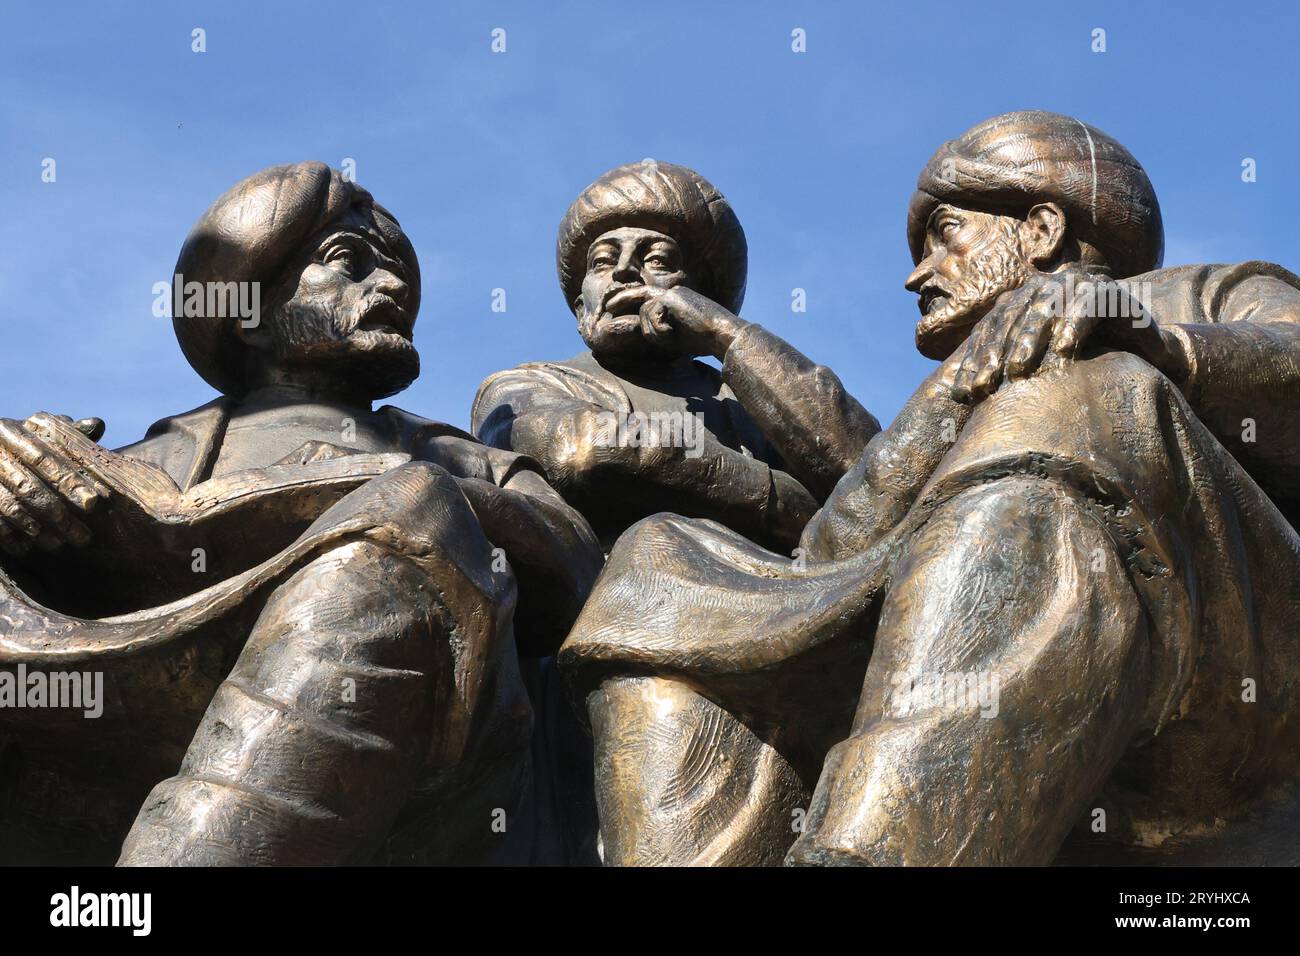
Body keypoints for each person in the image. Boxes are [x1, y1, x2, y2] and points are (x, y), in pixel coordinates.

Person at [560, 111, 1300, 866]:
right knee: (663, 563)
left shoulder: (1205, 292)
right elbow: (846, 530)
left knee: (1070, 391)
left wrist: (1142, 332)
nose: (918, 274)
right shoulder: (955, 389)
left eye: (946, 235)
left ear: (1041, 230)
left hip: (1226, 667)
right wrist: (722, 338)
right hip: (958, 642)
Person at [0, 162, 602, 865]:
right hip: (103, 716)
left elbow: (578, 557)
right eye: (347, 263)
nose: (395, 287)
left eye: (399, 271)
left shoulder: (445, 456)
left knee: (411, 515)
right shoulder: (154, 456)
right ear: (249, 315)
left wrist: (389, 486)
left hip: (404, 769)